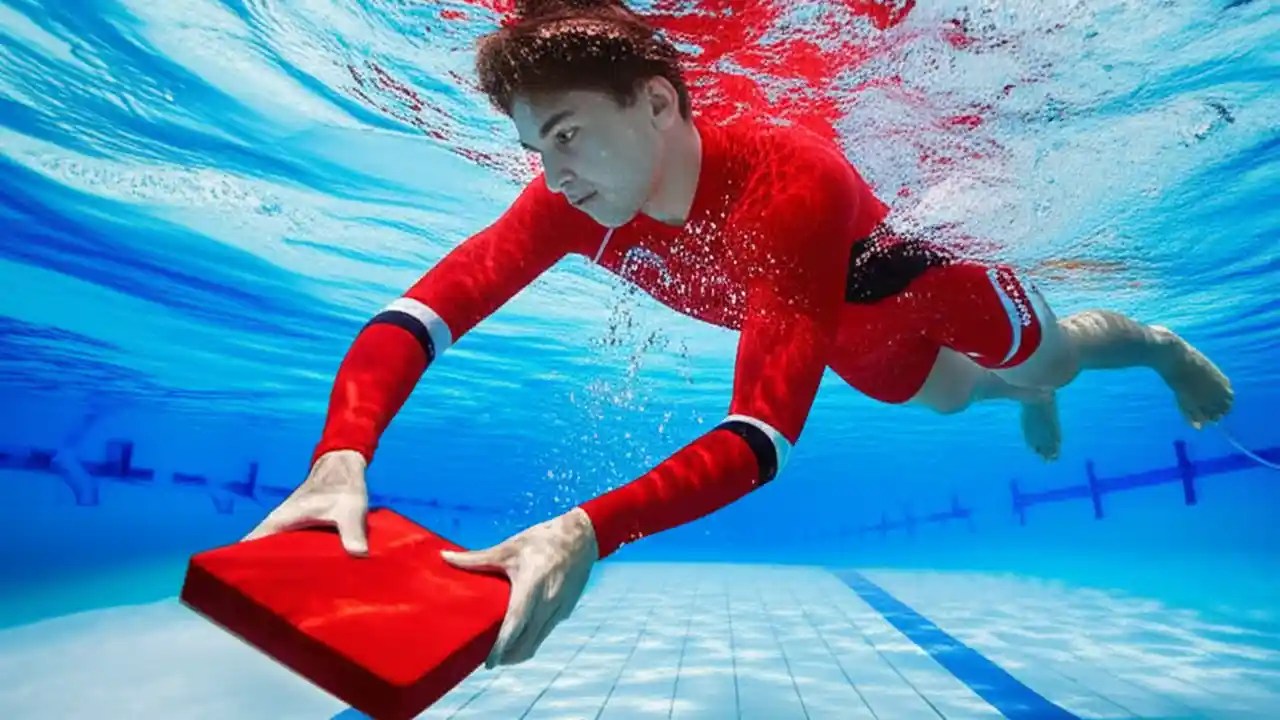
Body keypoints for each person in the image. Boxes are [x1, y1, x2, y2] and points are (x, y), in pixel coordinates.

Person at [244, 0, 1234, 669]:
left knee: (1047, 356)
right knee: (950, 396)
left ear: (660, 102)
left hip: (931, 287)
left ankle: (1148, 346)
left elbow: (762, 434)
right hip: (852, 340)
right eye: (533, 147)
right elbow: (420, 315)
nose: (552, 176)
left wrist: (587, 531)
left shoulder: (782, 177)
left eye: (567, 135)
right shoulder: (568, 205)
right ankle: (1022, 390)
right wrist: (340, 456)